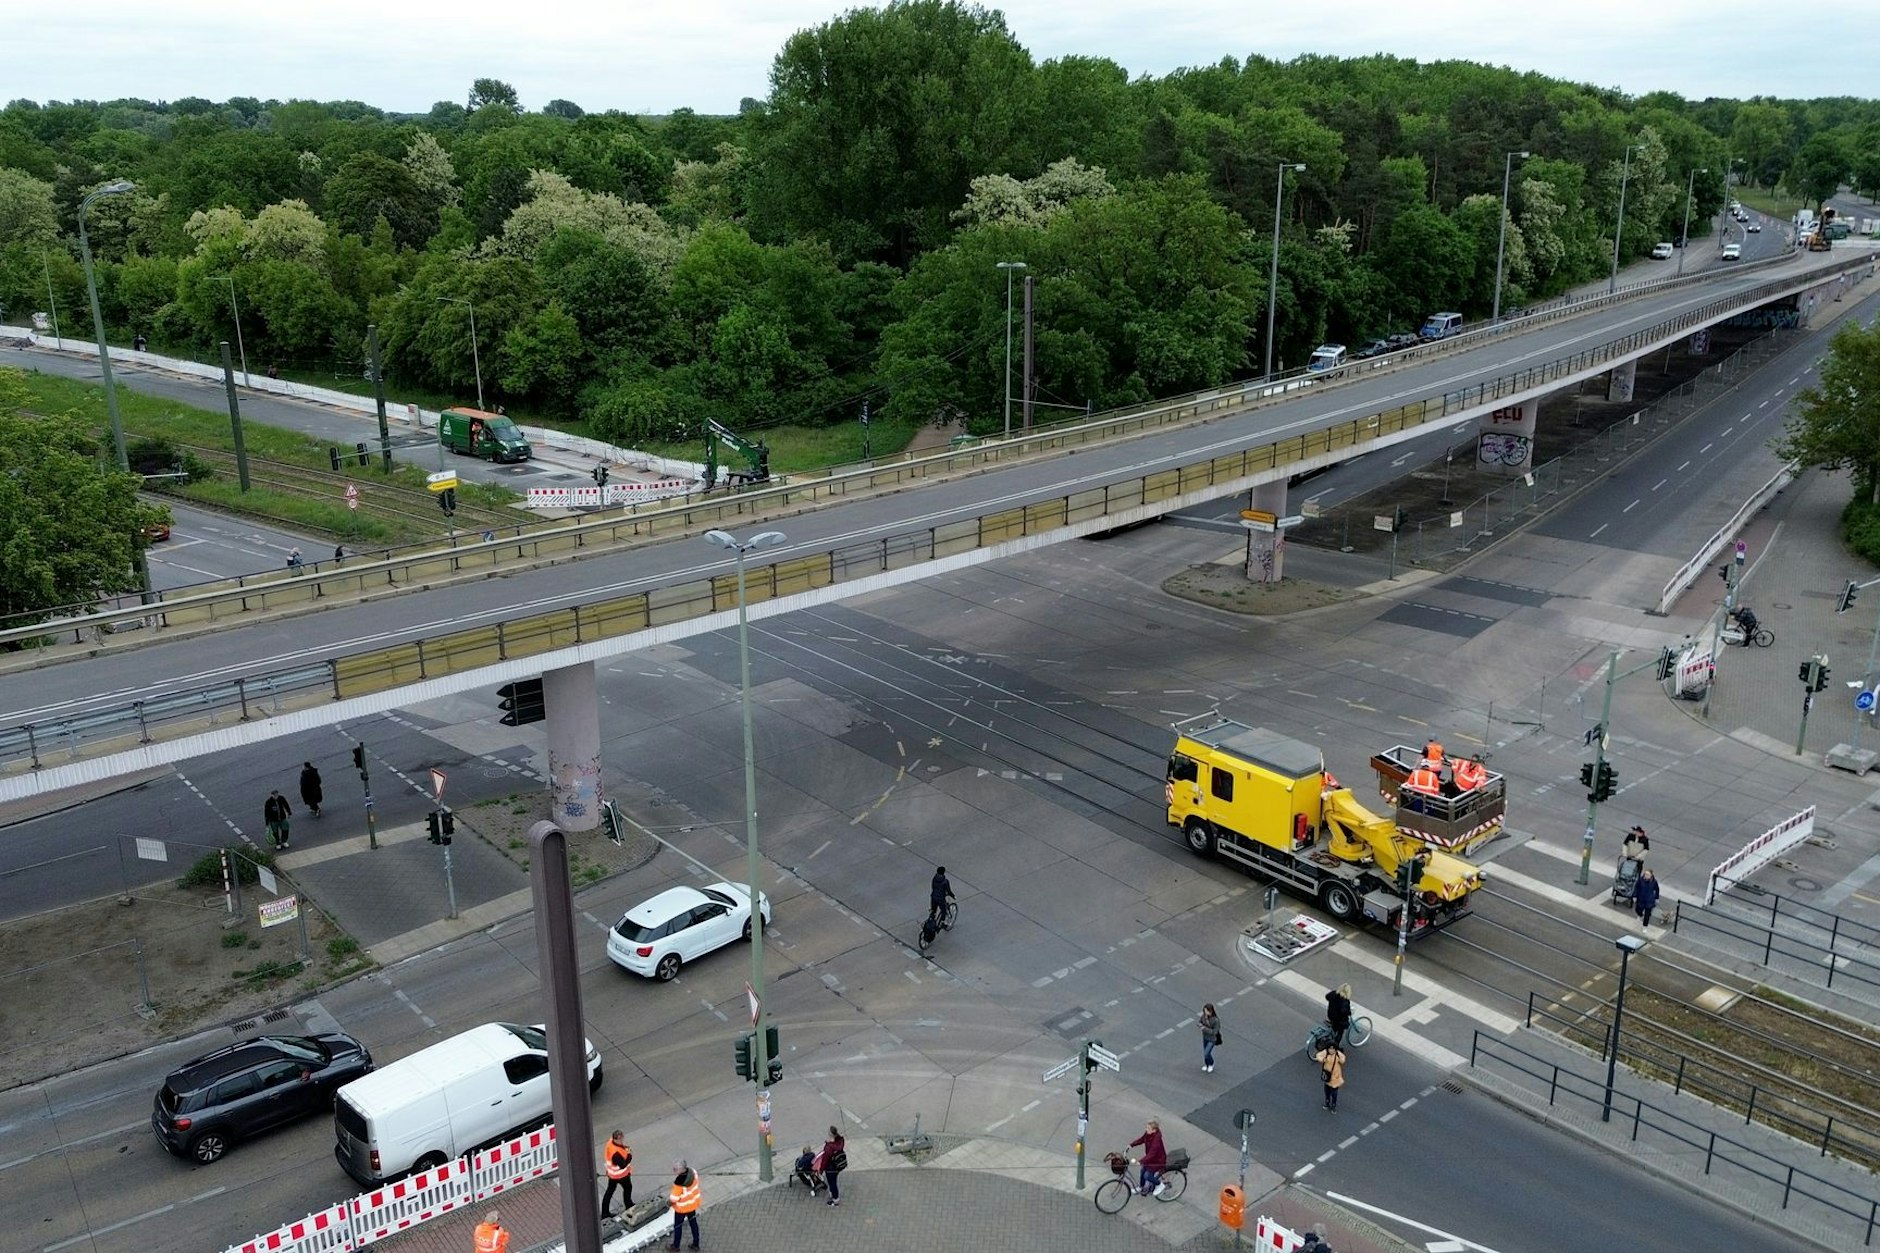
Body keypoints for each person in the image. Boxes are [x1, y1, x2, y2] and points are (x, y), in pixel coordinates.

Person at [1129, 1119, 1168, 1196]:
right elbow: (1142, 1139)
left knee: (1147, 1175)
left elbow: (1152, 1154)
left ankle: (1160, 1185)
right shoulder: (1148, 1133)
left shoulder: (1156, 1140)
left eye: (1148, 1128)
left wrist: (1140, 1161)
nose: (1146, 1129)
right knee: (1142, 1170)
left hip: (1158, 1161)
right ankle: (1141, 1187)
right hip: (1151, 1159)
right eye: (1146, 1127)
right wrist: (1131, 1145)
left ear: (1154, 1130)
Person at [667, 1160, 700, 1250]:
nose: (674, 1171)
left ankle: (675, 1246)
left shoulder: (679, 1183)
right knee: (693, 1224)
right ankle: (696, 1244)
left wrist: (668, 1203)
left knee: (678, 1227)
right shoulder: (693, 1172)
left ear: (681, 1169)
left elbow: (674, 1199)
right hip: (692, 1205)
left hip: (681, 1209)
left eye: (675, 1169)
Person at [599, 1129, 632, 1219]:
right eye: (621, 1139)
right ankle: (629, 1205)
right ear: (617, 1139)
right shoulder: (615, 1154)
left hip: (612, 1174)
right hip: (621, 1175)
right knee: (628, 1188)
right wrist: (629, 1154)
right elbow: (623, 1165)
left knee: (609, 1191)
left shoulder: (610, 1142)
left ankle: (605, 1213)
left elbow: (621, 1147)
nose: (622, 1140)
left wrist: (626, 1148)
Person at [1315, 1039, 1347, 1111]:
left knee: (1334, 1092)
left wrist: (1341, 1060)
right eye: (1330, 1048)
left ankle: (1333, 1104)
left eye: (1333, 1049)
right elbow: (1318, 1055)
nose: (1331, 1050)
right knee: (1327, 1090)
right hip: (1327, 1075)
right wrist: (1322, 1060)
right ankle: (1327, 1101)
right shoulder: (1325, 1053)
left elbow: (1343, 1059)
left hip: (1335, 1076)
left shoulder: (1338, 1054)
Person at [821, 1126, 847, 1206]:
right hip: (837, 1166)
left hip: (830, 1168)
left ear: (830, 1134)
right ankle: (833, 1194)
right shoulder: (840, 1141)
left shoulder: (829, 1148)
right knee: (833, 1181)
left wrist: (820, 1171)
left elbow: (824, 1161)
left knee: (832, 1183)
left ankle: (835, 1199)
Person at [1199, 1002, 1220, 1073]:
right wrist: (1199, 1024)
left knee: (1206, 1053)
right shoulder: (1203, 1016)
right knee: (1206, 1052)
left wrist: (1204, 1029)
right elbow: (1200, 1021)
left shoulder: (1215, 1020)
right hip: (1205, 1037)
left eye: (1206, 1011)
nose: (1205, 1012)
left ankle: (1211, 1063)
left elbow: (1214, 1032)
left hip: (1212, 1039)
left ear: (1210, 1011)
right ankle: (1207, 1064)